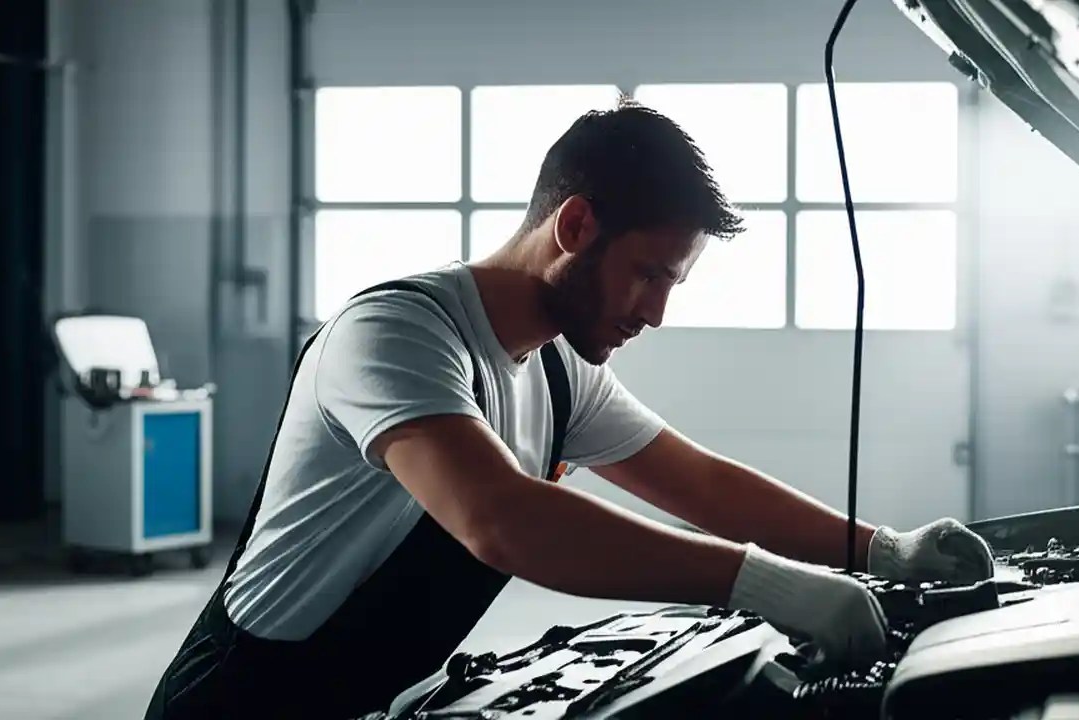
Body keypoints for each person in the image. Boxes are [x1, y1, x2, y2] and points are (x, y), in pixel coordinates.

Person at [146, 98, 993, 719]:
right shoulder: (396, 332)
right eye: (651, 274)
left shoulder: (555, 371)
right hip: (239, 703)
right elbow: (501, 518)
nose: (656, 311)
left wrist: (885, 548)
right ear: (577, 224)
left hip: (362, 701)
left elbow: (700, 484)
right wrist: (772, 586)